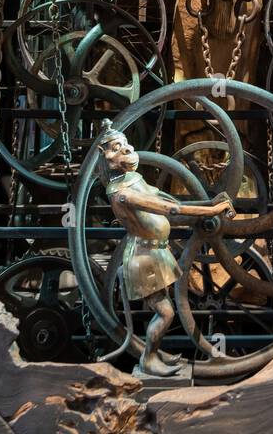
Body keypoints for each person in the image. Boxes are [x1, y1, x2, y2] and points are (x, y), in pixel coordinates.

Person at [96, 122, 235, 377]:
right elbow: (170, 210)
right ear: (107, 157)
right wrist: (212, 211)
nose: (126, 149)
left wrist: (208, 202)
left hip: (157, 252)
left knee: (164, 309)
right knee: (166, 313)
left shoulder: (134, 179)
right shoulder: (121, 195)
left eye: (125, 143)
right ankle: (149, 360)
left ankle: (154, 355)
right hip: (144, 258)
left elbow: (167, 199)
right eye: (117, 148)